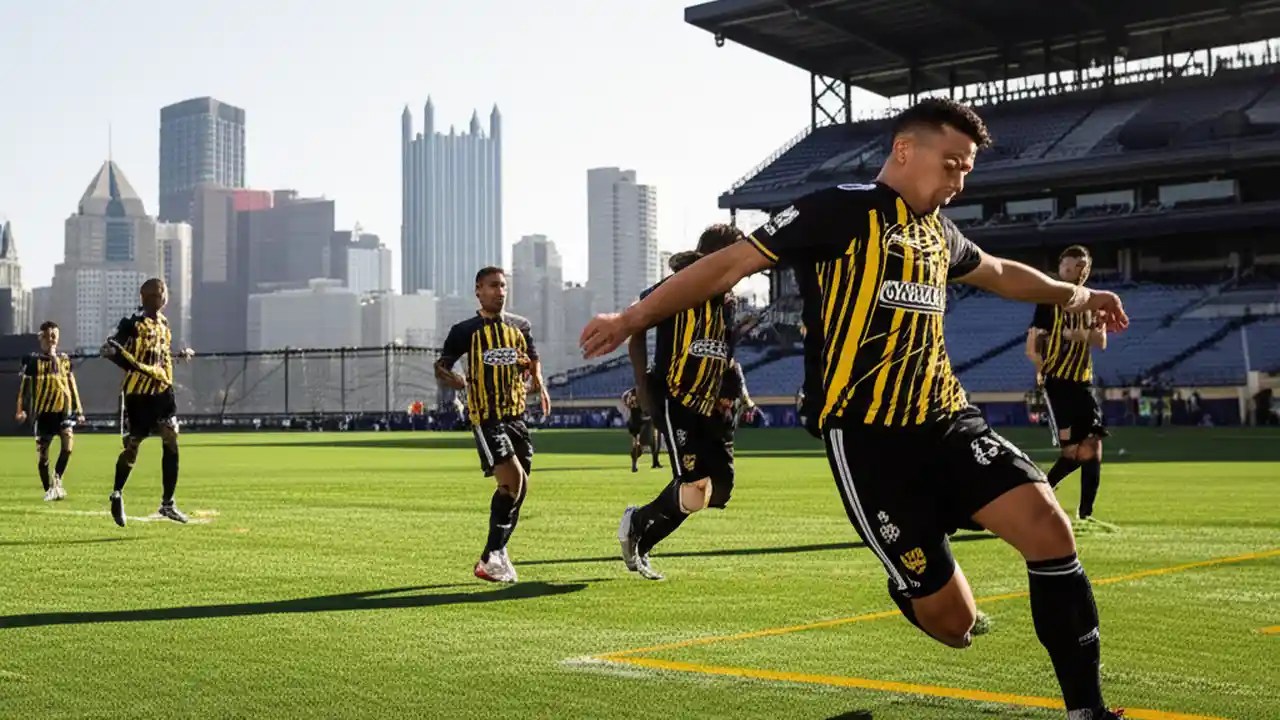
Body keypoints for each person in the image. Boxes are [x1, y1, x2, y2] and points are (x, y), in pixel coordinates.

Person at [581, 98, 1129, 720]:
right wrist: (631, 317)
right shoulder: (837, 209)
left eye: (966, 170)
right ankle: (911, 581)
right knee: (955, 624)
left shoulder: (938, 234)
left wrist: (1078, 294)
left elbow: (1002, 272)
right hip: (871, 447)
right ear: (904, 151)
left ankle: (1086, 710)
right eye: (951, 165)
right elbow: (729, 264)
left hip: (947, 420)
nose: (959, 182)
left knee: (1050, 530)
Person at [617, 226, 743, 581]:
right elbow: (636, 323)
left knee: (717, 490)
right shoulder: (677, 287)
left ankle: (638, 528)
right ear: (717, 255)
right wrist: (642, 382)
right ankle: (639, 532)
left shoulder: (730, 300)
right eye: (737, 251)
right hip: (677, 398)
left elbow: (724, 350)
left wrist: (730, 393)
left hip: (713, 404)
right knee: (692, 485)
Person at [435, 266, 551, 584]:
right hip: (486, 417)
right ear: (478, 290)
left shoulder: (520, 327)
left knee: (521, 486)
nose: (499, 291)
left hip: (517, 416)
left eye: (503, 286)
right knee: (512, 481)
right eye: (492, 286)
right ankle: (492, 556)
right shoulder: (465, 331)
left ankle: (496, 554)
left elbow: (532, 357)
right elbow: (441, 366)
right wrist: (456, 379)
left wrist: (537, 378)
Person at [101, 278, 195, 527]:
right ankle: (117, 493)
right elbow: (111, 350)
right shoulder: (132, 323)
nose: (161, 296)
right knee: (133, 447)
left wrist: (177, 355)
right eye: (155, 293)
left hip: (163, 392)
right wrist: (133, 363)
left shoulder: (164, 325)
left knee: (171, 437)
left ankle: (168, 503)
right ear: (144, 296)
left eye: (163, 292)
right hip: (138, 395)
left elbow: (159, 355)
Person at [1026, 245, 1110, 522]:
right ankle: (1040, 498)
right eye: (1070, 266)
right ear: (1060, 267)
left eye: (1081, 267)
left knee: (1093, 445)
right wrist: (1040, 369)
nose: (1075, 271)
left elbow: (1101, 341)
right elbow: (1034, 343)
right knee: (1072, 453)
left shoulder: (1094, 301)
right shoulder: (1049, 300)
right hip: (1058, 384)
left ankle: (1085, 515)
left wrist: (1076, 334)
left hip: (1083, 382)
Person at [15, 321, 84, 501]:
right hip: (43, 413)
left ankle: (57, 479)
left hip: (63, 411)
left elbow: (71, 384)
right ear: (41, 338)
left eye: (54, 335)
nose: (52, 339)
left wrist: (79, 409)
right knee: (43, 456)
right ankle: (48, 489)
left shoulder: (64, 359)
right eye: (48, 335)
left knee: (68, 446)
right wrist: (20, 409)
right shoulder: (33, 361)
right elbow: (24, 389)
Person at [622, 387, 662, 473]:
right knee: (651, 442)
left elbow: (625, 399)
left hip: (633, 422)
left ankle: (636, 464)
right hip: (640, 421)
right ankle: (654, 462)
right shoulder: (642, 397)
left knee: (637, 443)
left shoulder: (631, 395)